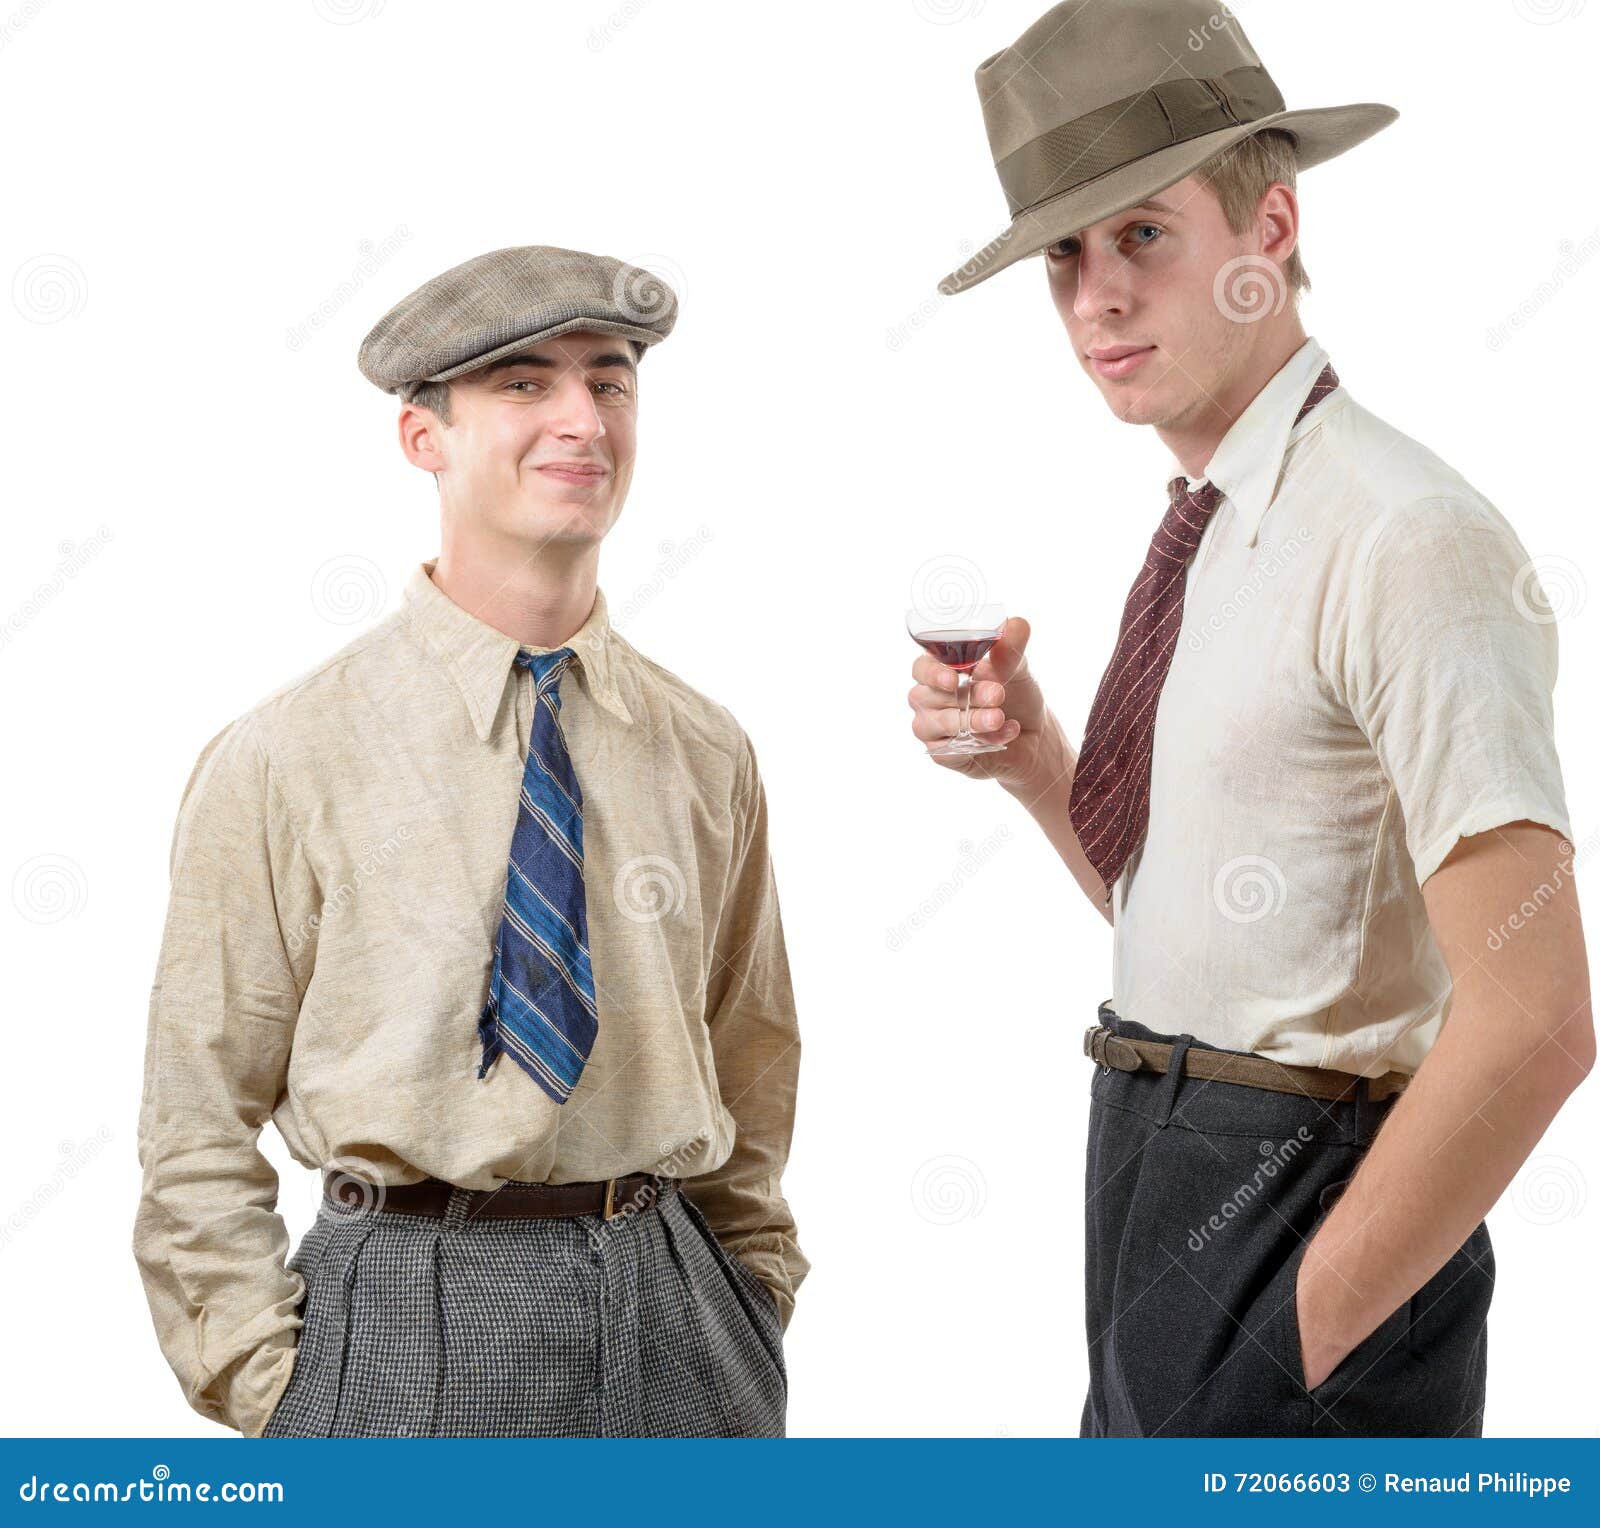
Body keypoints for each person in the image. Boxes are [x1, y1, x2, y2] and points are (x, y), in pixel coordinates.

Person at [912, 0, 1592, 1436]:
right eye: (1064, 254)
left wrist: (1294, 1341)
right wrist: (1044, 771)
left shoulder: (1405, 536)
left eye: (1143, 234)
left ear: (1269, 226)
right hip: (1153, 1212)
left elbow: (1537, 1022)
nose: (1096, 295)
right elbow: (1238, 946)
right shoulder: (1214, 528)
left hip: (1306, 1239)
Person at [134, 245, 806, 1438]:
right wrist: (274, 1388)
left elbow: (752, 1055)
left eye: (609, 382)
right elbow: (195, 1117)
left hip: (677, 1317)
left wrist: (749, 1301)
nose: (580, 420)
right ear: (422, 437)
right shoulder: (289, 755)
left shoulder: (704, 751)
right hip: (399, 1316)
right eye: (524, 385)